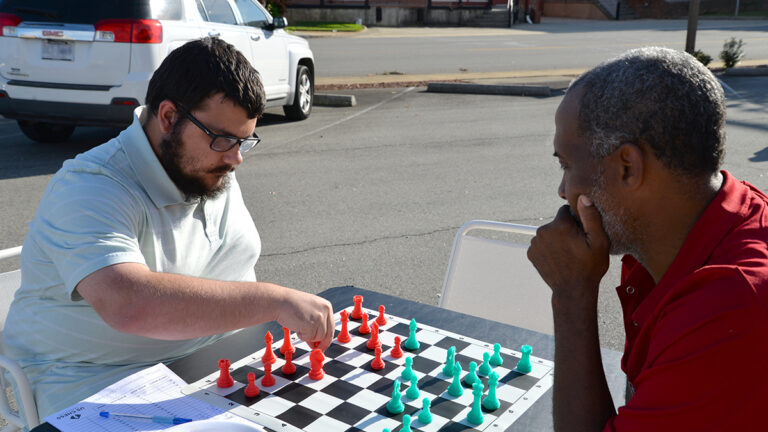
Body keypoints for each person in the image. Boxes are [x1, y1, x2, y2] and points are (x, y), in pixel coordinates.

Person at [4, 37, 335, 419]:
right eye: (223, 139)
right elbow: (127, 303)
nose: (236, 158)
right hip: (98, 383)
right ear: (168, 117)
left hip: (215, 364)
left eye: (245, 140)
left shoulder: (206, 167)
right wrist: (274, 301)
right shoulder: (89, 186)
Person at [527, 47, 768, 431]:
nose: (562, 190)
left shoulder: (732, 306)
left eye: (566, 164)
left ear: (627, 167)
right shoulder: (678, 228)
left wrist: (572, 294)